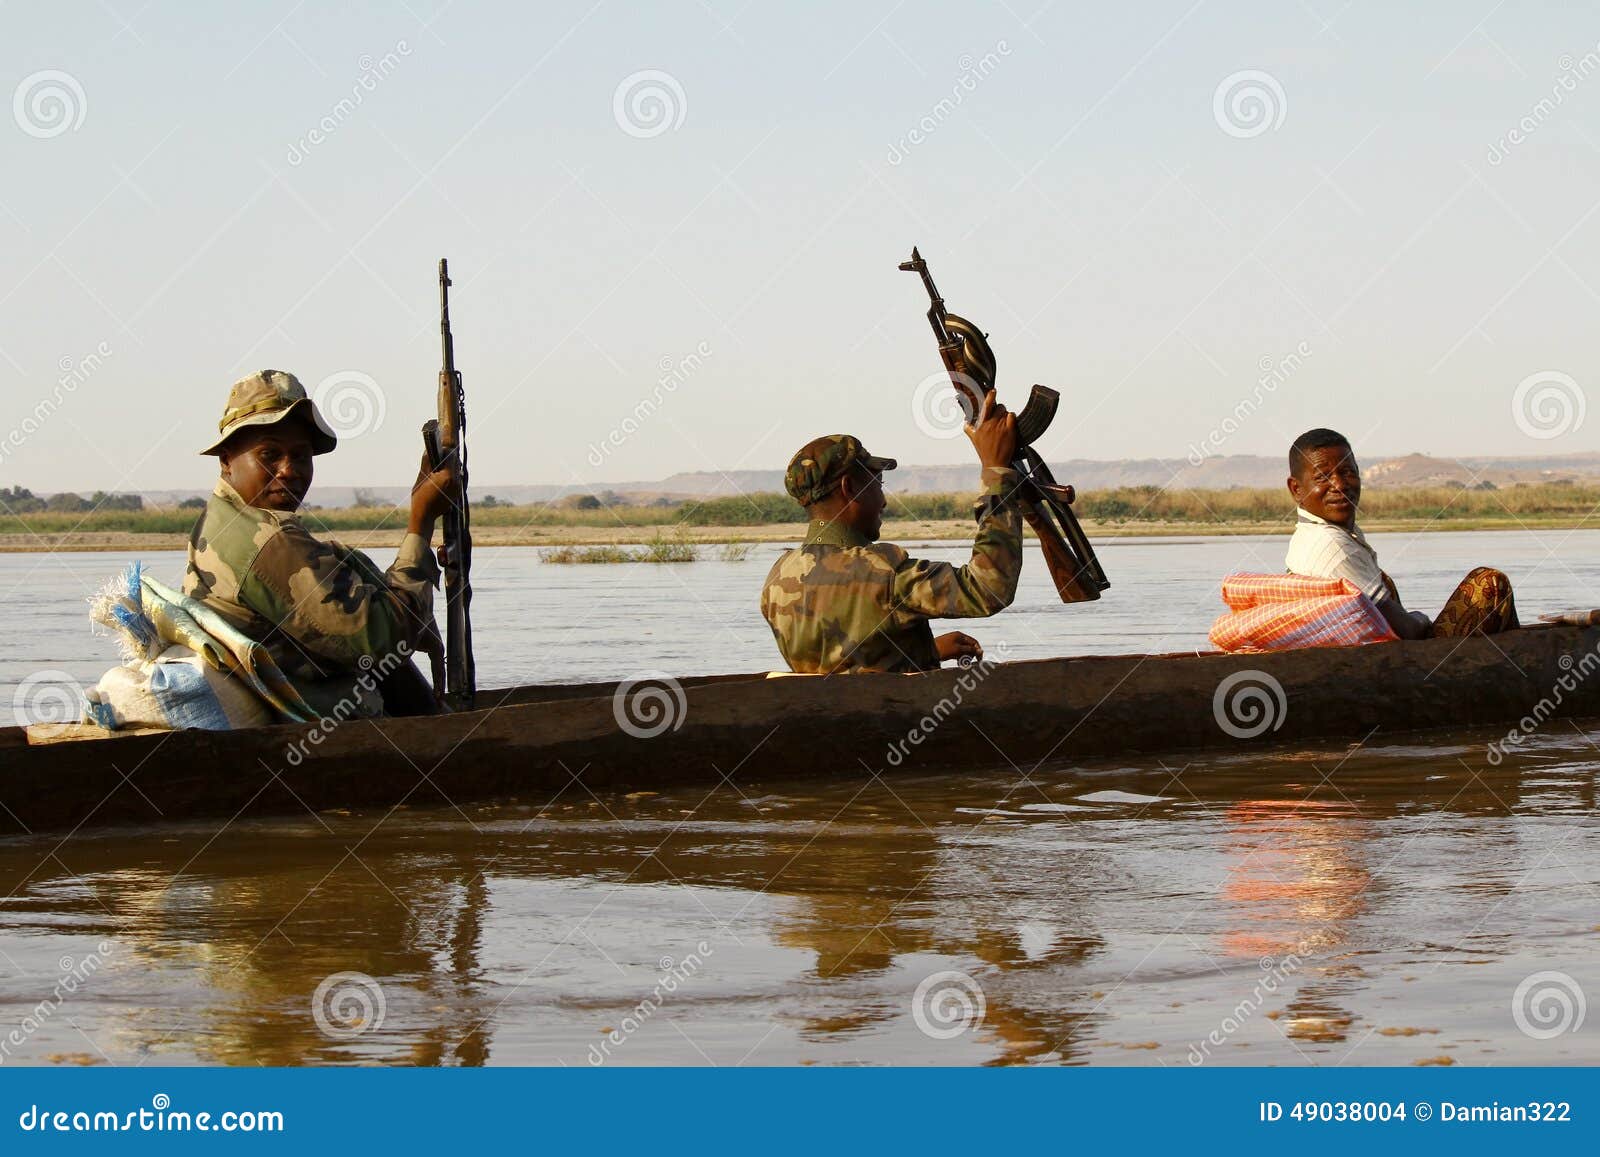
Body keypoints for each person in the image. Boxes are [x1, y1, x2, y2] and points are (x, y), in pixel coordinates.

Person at [185, 369, 456, 716]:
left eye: (300, 456)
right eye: (269, 455)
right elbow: (381, 641)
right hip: (314, 728)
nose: (289, 470)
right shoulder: (268, 543)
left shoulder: (222, 520)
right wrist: (421, 522)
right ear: (227, 461)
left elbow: (331, 570)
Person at [760, 388, 1023, 673]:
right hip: (897, 713)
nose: (883, 500)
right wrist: (996, 473)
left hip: (833, 711)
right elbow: (988, 588)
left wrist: (926, 651)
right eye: (878, 483)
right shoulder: (885, 571)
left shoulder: (777, 579)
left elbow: (840, 665)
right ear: (850, 488)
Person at [1284, 428, 1517, 640]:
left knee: (1383, 582)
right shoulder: (1331, 545)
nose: (1340, 485)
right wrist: (1422, 620)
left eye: (1347, 472)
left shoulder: (1313, 535)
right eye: (1323, 477)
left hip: (1386, 646)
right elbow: (1403, 630)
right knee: (1490, 582)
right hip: (1404, 660)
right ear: (1296, 489)